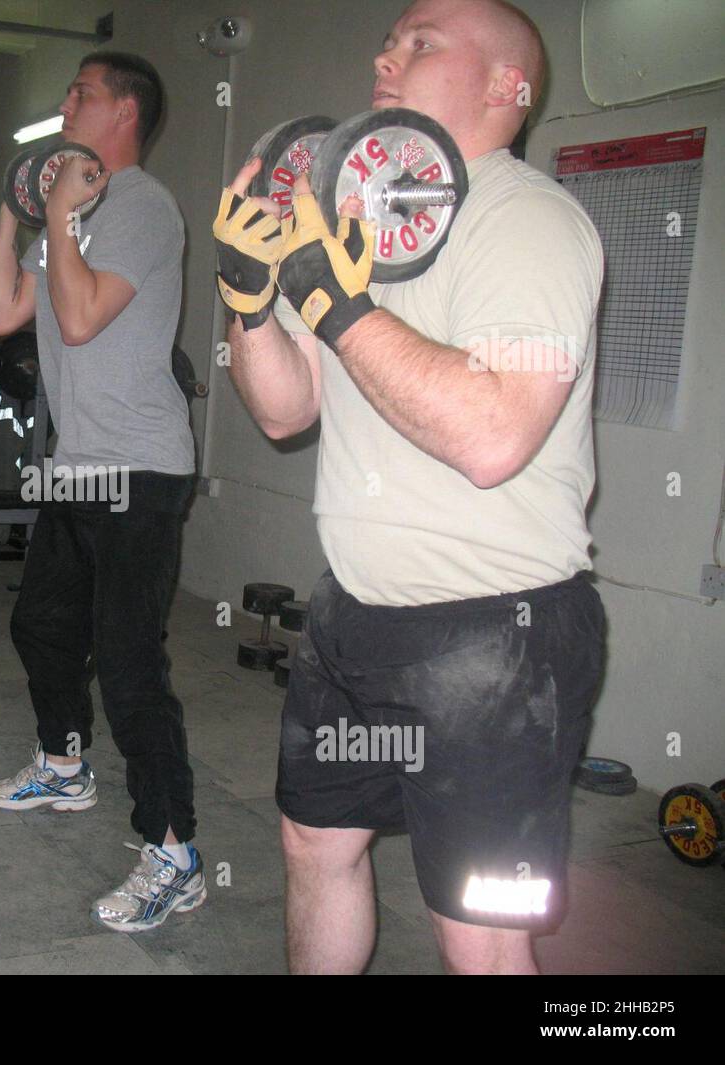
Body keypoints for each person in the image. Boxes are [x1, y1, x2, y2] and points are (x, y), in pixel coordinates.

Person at [217, 0, 604, 973]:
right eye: (388, 39)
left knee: (475, 925)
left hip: (494, 643)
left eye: (421, 41)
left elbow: (490, 436)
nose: (386, 55)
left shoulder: (527, 221)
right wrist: (250, 302)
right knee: (315, 842)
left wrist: (338, 306)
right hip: (354, 620)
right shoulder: (366, 225)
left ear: (507, 89)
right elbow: (282, 411)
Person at [0, 53, 204, 933]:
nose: (65, 101)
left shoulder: (142, 206)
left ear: (125, 112)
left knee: (128, 665)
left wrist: (65, 213)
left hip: (142, 468)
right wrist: (16, 209)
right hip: (79, 465)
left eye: (81, 92)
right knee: (39, 623)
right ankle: (64, 765)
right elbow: (7, 313)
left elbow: (76, 318)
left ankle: (175, 852)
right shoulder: (76, 212)